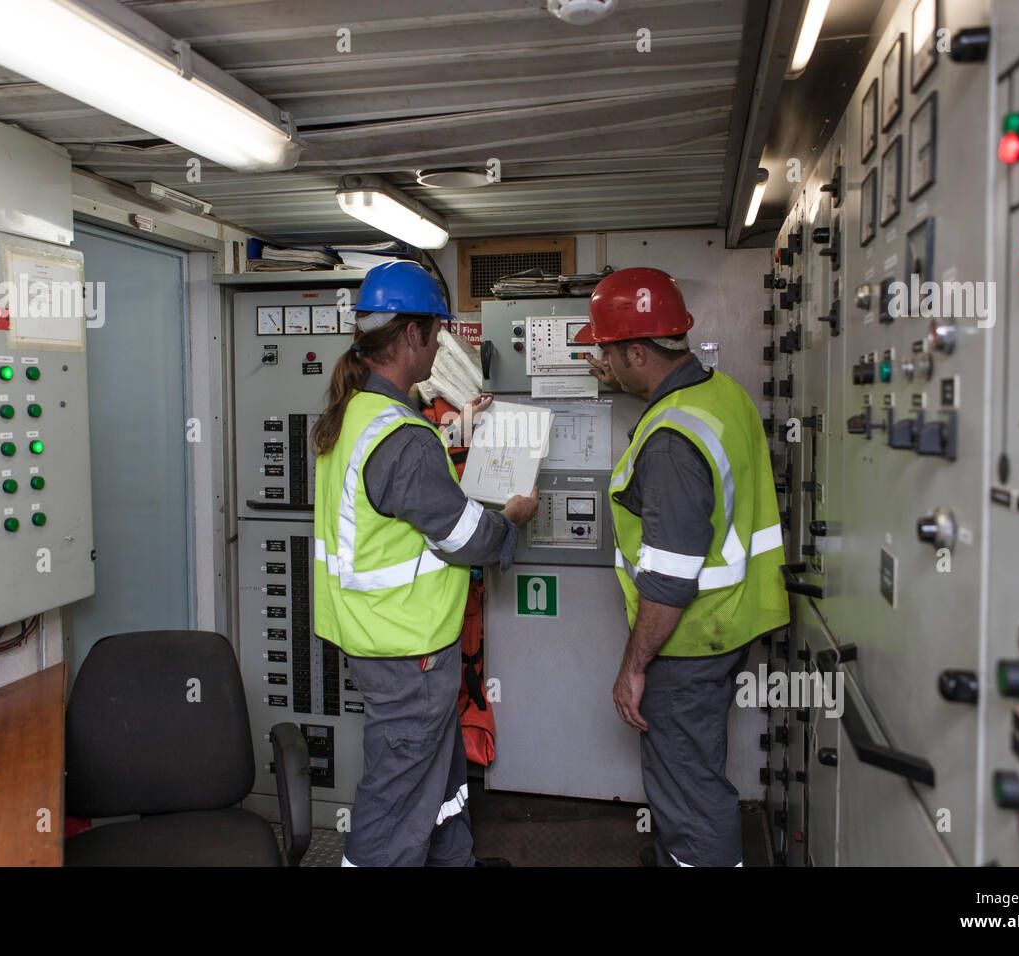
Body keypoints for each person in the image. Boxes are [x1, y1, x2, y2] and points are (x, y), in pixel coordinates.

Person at [310, 260, 538, 867]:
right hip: (406, 652)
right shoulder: (402, 436)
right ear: (410, 335)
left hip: (384, 641)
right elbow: (464, 537)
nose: (440, 342)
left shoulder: (355, 415)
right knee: (393, 807)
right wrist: (510, 518)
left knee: (438, 783)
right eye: (436, 331)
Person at [575, 267, 789, 867]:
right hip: (728, 624)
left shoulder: (670, 441)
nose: (608, 364)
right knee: (694, 772)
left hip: (686, 640)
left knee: (689, 791)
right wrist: (627, 385)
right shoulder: (719, 395)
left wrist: (633, 667)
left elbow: (669, 581)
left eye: (613, 354)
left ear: (639, 351)